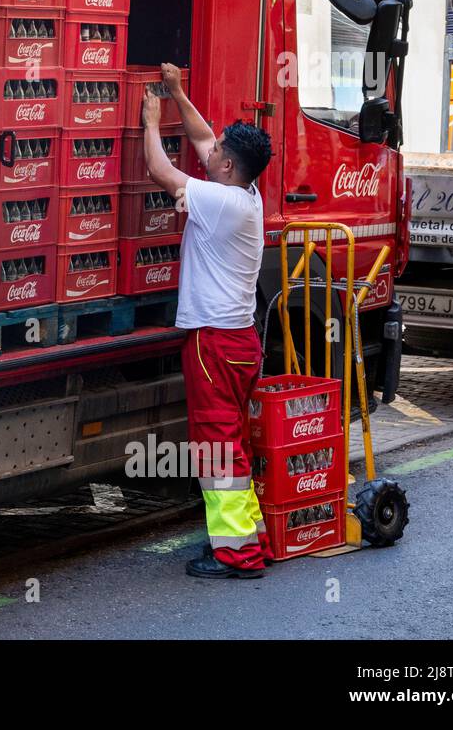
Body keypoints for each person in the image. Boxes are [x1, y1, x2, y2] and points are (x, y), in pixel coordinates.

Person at [141, 63, 275, 579]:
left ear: (227, 168)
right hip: (238, 339)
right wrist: (176, 92)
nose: (210, 150)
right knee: (233, 440)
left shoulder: (219, 203)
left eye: (218, 152)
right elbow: (201, 136)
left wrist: (151, 121)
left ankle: (236, 555)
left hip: (214, 344)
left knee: (219, 448)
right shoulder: (244, 193)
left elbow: (161, 172)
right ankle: (251, 540)